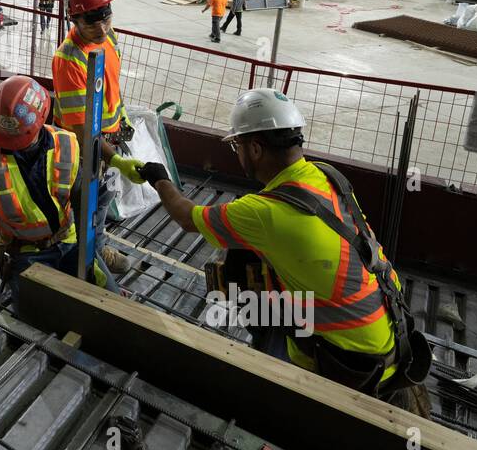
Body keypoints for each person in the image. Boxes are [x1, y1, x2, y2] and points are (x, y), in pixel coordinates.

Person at [136, 89, 432, 414]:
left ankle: (274, 379)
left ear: (256, 148)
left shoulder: (262, 212)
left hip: (355, 366)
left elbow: (186, 217)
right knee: (246, 257)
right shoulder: (326, 175)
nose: (236, 153)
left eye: (237, 146)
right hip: (393, 332)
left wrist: (160, 178)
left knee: (239, 271)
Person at [0, 76, 120, 309]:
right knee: (39, 318)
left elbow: (80, 202)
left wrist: (89, 253)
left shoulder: (67, 145)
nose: (10, 144)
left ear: (39, 120)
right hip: (25, 253)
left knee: (112, 303)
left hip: (70, 243)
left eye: (19, 137)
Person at [52, 0, 146, 277]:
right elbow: (81, 130)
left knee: (103, 195)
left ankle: (97, 244)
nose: (102, 28)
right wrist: (114, 158)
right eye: (92, 22)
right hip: (81, 146)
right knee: (83, 199)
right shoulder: (69, 59)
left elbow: (111, 88)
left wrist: (122, 122)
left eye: (106, 19)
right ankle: (85, 255)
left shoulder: (108, 35)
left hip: (107, 137)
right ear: (74, 18)